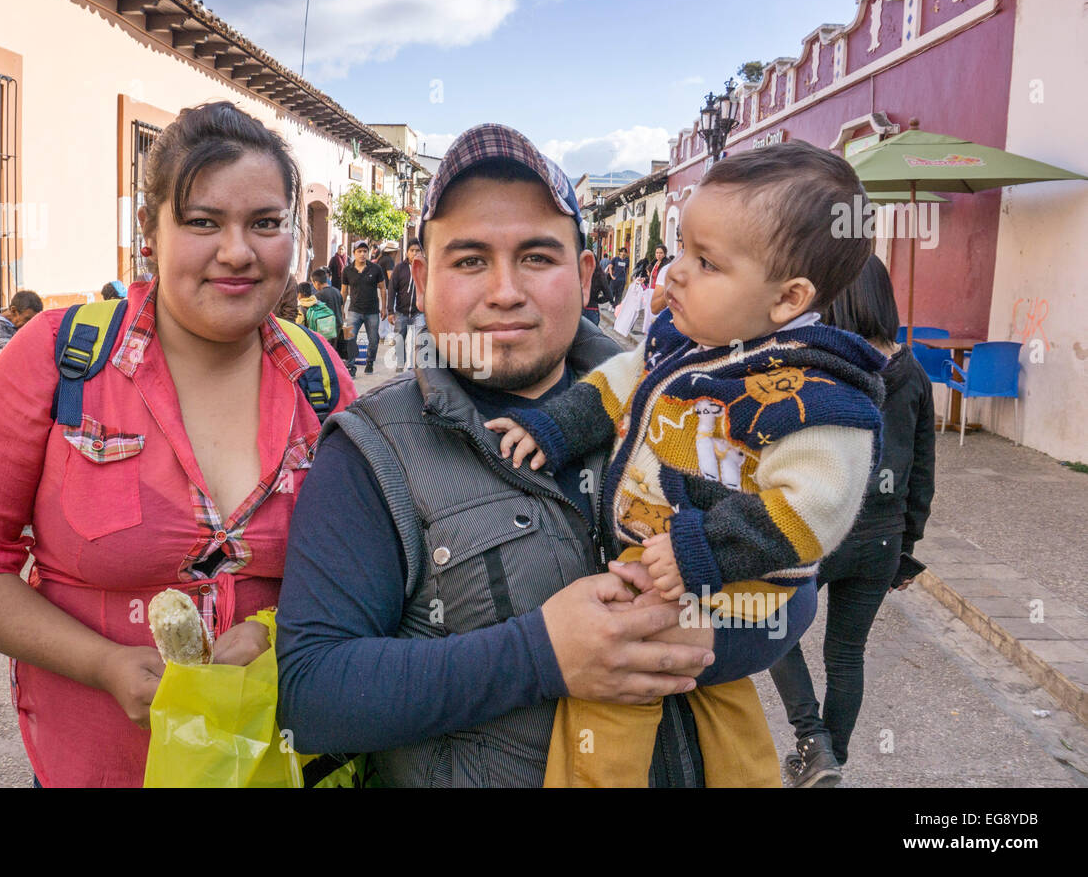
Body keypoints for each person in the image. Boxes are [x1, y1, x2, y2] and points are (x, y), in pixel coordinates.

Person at [276, 123, 817, 787]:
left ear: (585, 274)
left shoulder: (686, 407)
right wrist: (541, 655)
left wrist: (699, 639)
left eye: (537, 257)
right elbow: (312, 695)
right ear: (420, 277)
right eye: (470, 260)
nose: (505, 290)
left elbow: (795, 589)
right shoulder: (371, 453)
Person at [0, 101, 355, 788]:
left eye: (265, 223)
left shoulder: (319, 378)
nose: (237, 251)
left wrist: (272, 629)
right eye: (202, 221)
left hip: (273, 759)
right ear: (150, 232)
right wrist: (101, 663)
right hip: (96, 766)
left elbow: (365, 567)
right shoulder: (59, 358)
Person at [486, 139, 885, 787]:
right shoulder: (695, 346)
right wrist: (555, 428)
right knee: (716, 696)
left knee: (617, 672)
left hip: (739, 595)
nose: (673, 273)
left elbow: (816, 507)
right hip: (710, 591)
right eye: (679, 250)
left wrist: (705, 550)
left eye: (704, 263)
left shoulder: (816, 391)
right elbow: (622, 382)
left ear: (787, 299)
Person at [769, 254, 935, 787]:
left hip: (817, 530)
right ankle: (829, 760)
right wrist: (907, 546)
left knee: (770, 627)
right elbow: (921, 469)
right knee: (846, 656)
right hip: (880, 541)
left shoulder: (816, 367)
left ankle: (813, 742)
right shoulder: (913, 374)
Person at [341, 240, 386, 375]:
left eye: (365, 251)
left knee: (373, 339)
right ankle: (350, 366)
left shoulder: (376, 269)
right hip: (354, 310)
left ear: (368, 253)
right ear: (354, 253)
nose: (362, 254)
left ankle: (370, 362)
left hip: (372, 311)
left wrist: (384, 308)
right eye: (359, 251)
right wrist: (341, 308)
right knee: (349, 337)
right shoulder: (347, 270)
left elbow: (383, 289)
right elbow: (343, 291)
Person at [0, 290, 43, 368]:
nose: (31, 323)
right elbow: (8, 360)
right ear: (14, 311)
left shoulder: (15, 326)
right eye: (27, 319)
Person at [387, 238, 424, 371]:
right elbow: (392, 290)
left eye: (417, 250)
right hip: (401, 312)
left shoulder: (425, 267)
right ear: (407, 252)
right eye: (412, 250)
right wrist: (390, 311)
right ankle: (400, 365)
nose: (414, 253)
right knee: (399, 340)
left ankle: (413, 369)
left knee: (417, 341)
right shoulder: (399, 268)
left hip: (419, 312)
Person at [311, 267, 352, 374]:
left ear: (316, 283)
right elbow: (341, 308)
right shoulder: (337, 291)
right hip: (338, 324)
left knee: (326, 351)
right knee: (334, 350)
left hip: (326, 328)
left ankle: (330, 372)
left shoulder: (318, 295)